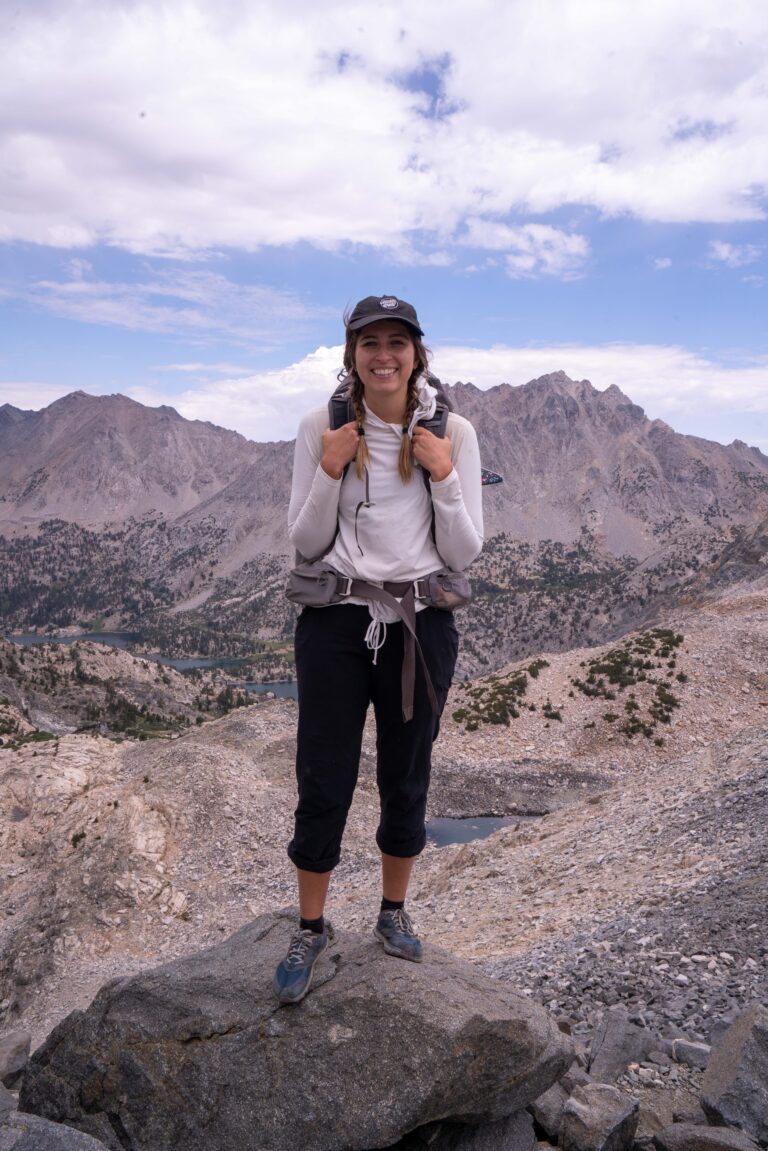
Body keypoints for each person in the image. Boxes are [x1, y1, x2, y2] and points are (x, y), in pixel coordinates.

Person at [274, 294, 484, 1004]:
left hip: (421, 622)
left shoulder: (453, 430)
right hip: (336, 619)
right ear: (351, 353)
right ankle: (310, 925)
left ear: (417, 353)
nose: (384, 355)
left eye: (398, 342)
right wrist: (332, 469)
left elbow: (464, 549)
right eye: (370, 342)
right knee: (323, 774)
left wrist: (445, 475)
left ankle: (393, 913)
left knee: (407, 771)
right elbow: (304, 542)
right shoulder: (319, 428)